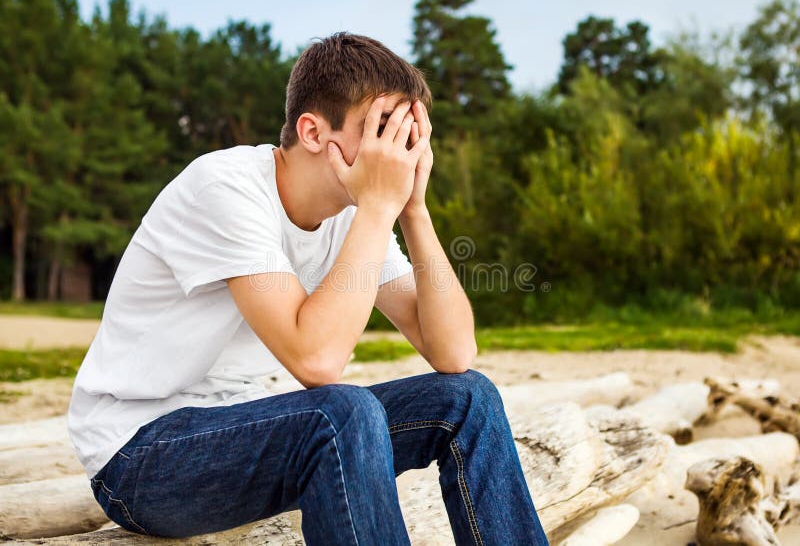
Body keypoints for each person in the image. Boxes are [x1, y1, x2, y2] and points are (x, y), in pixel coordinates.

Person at [67, 32, 550, 545]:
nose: (396, 154)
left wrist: (413, 209)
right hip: (142, 456)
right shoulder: (226, 188)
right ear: (314, 132)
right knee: (343, 410)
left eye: (406, 137)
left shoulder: (357, 213)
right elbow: (316, 362)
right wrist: (380, 207)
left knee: (468, 398)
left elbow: (453, 353)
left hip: (260, 430)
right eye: (381, 132)